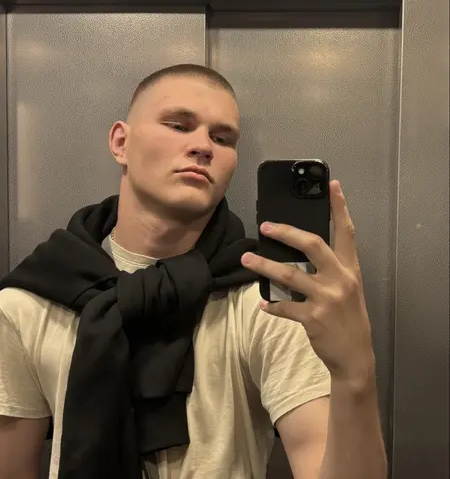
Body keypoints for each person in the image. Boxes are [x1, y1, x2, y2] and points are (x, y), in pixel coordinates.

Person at [0, 64, 387, 479]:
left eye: (222, 138)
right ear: (121, 143)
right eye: (179, 125)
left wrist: (355, 371)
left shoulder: (268, 300)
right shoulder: (30, 303)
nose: (203, 146)